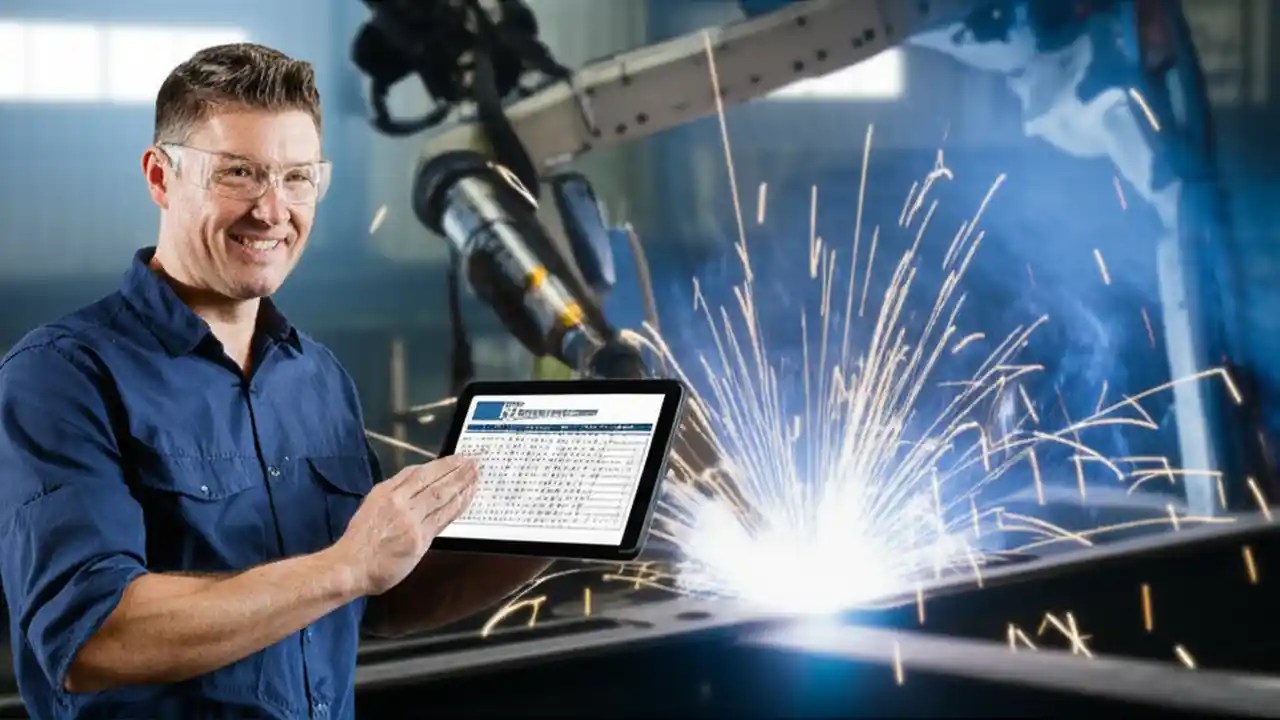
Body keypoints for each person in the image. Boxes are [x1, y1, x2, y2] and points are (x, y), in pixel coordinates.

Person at [0, 43, 550, 719]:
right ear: (160, 176)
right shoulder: (62, 375)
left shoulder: (317, 377)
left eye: (297, 178)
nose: (272, 210)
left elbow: (374, 598)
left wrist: (556, 528)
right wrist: (346, 565)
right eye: (239, 173)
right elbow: (92, 637)